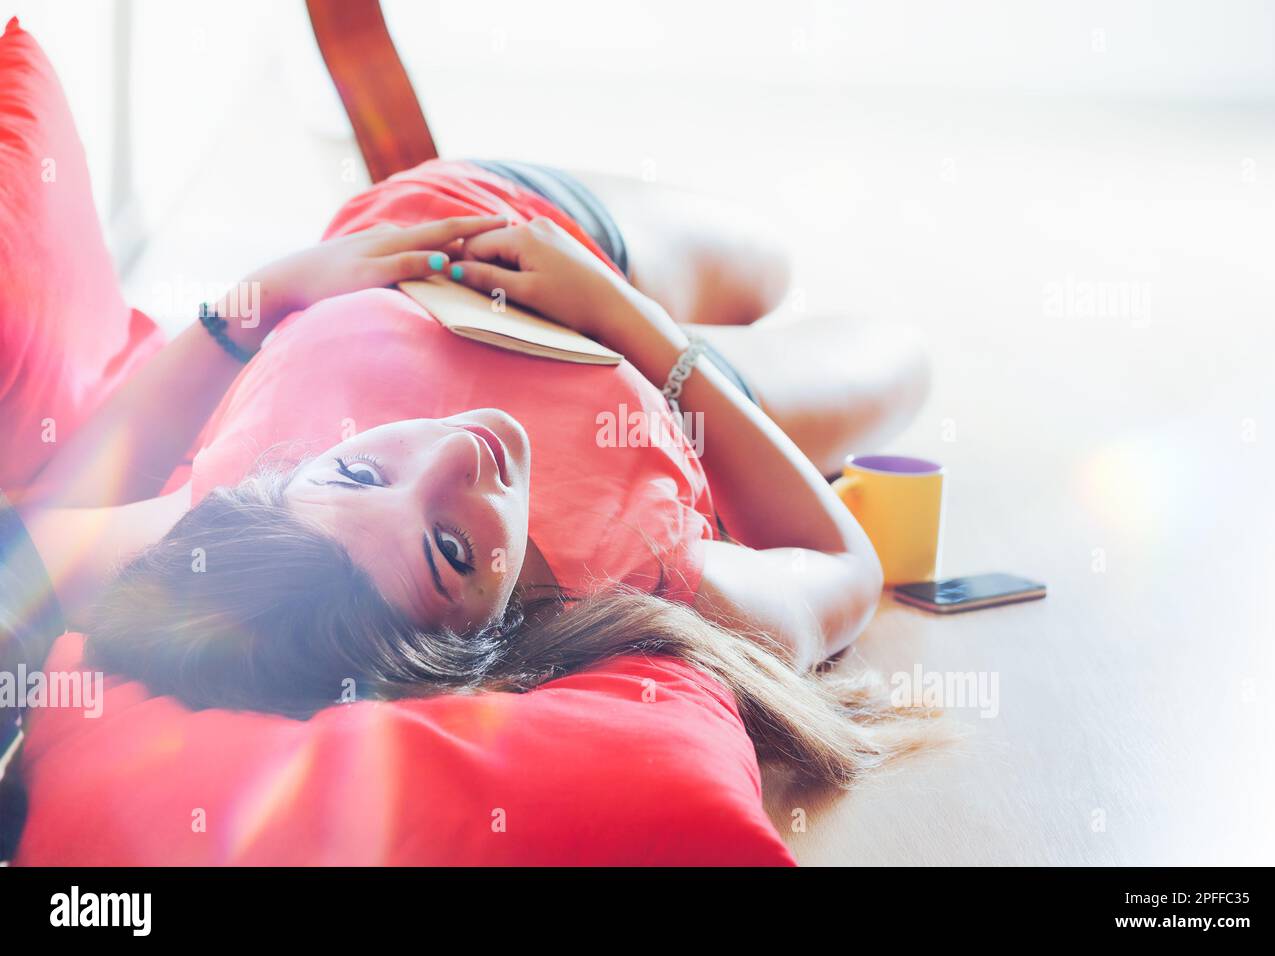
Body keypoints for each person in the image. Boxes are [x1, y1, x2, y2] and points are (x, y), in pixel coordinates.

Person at [4, 160, 936, 787]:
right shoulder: (632, 570)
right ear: (482, 645)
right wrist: (630, 323)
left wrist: (276, 290)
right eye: (449, 550)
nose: (453, 452)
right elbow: (841, 566)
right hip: (654, 376)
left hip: (490, 225)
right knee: (902, 356)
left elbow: (56, 512)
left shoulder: (245, 525)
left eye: (358, 476)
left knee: (767, 260)